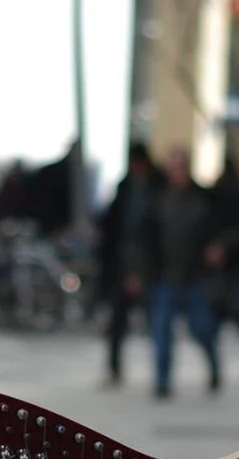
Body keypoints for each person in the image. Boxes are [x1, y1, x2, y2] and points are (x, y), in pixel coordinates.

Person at [144, 148, 223, 398]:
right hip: (166, 276)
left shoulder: (203, 199)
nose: (177, 172)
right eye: (173, 167)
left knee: (201, 328)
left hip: (195, 276)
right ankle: (163, 381)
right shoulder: (158, 200)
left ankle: (213, 364)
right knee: (162, 331)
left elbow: (220, 229)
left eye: (181, 167)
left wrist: (216, 247)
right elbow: (145, 237)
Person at [99, 144, 156, 387]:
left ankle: (160, 374)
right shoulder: (125, 188)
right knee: (117, 323)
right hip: (122, 266)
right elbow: (112, 229)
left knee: (156, 323)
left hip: (149, 268)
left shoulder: (155, 189)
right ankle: (114, 369)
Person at [210, 159, 239, 334]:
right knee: (236, 286)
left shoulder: (219, 190)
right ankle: (238, 317)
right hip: (238, 246)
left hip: (224, 245)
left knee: (223, 285)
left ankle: (222, 315)